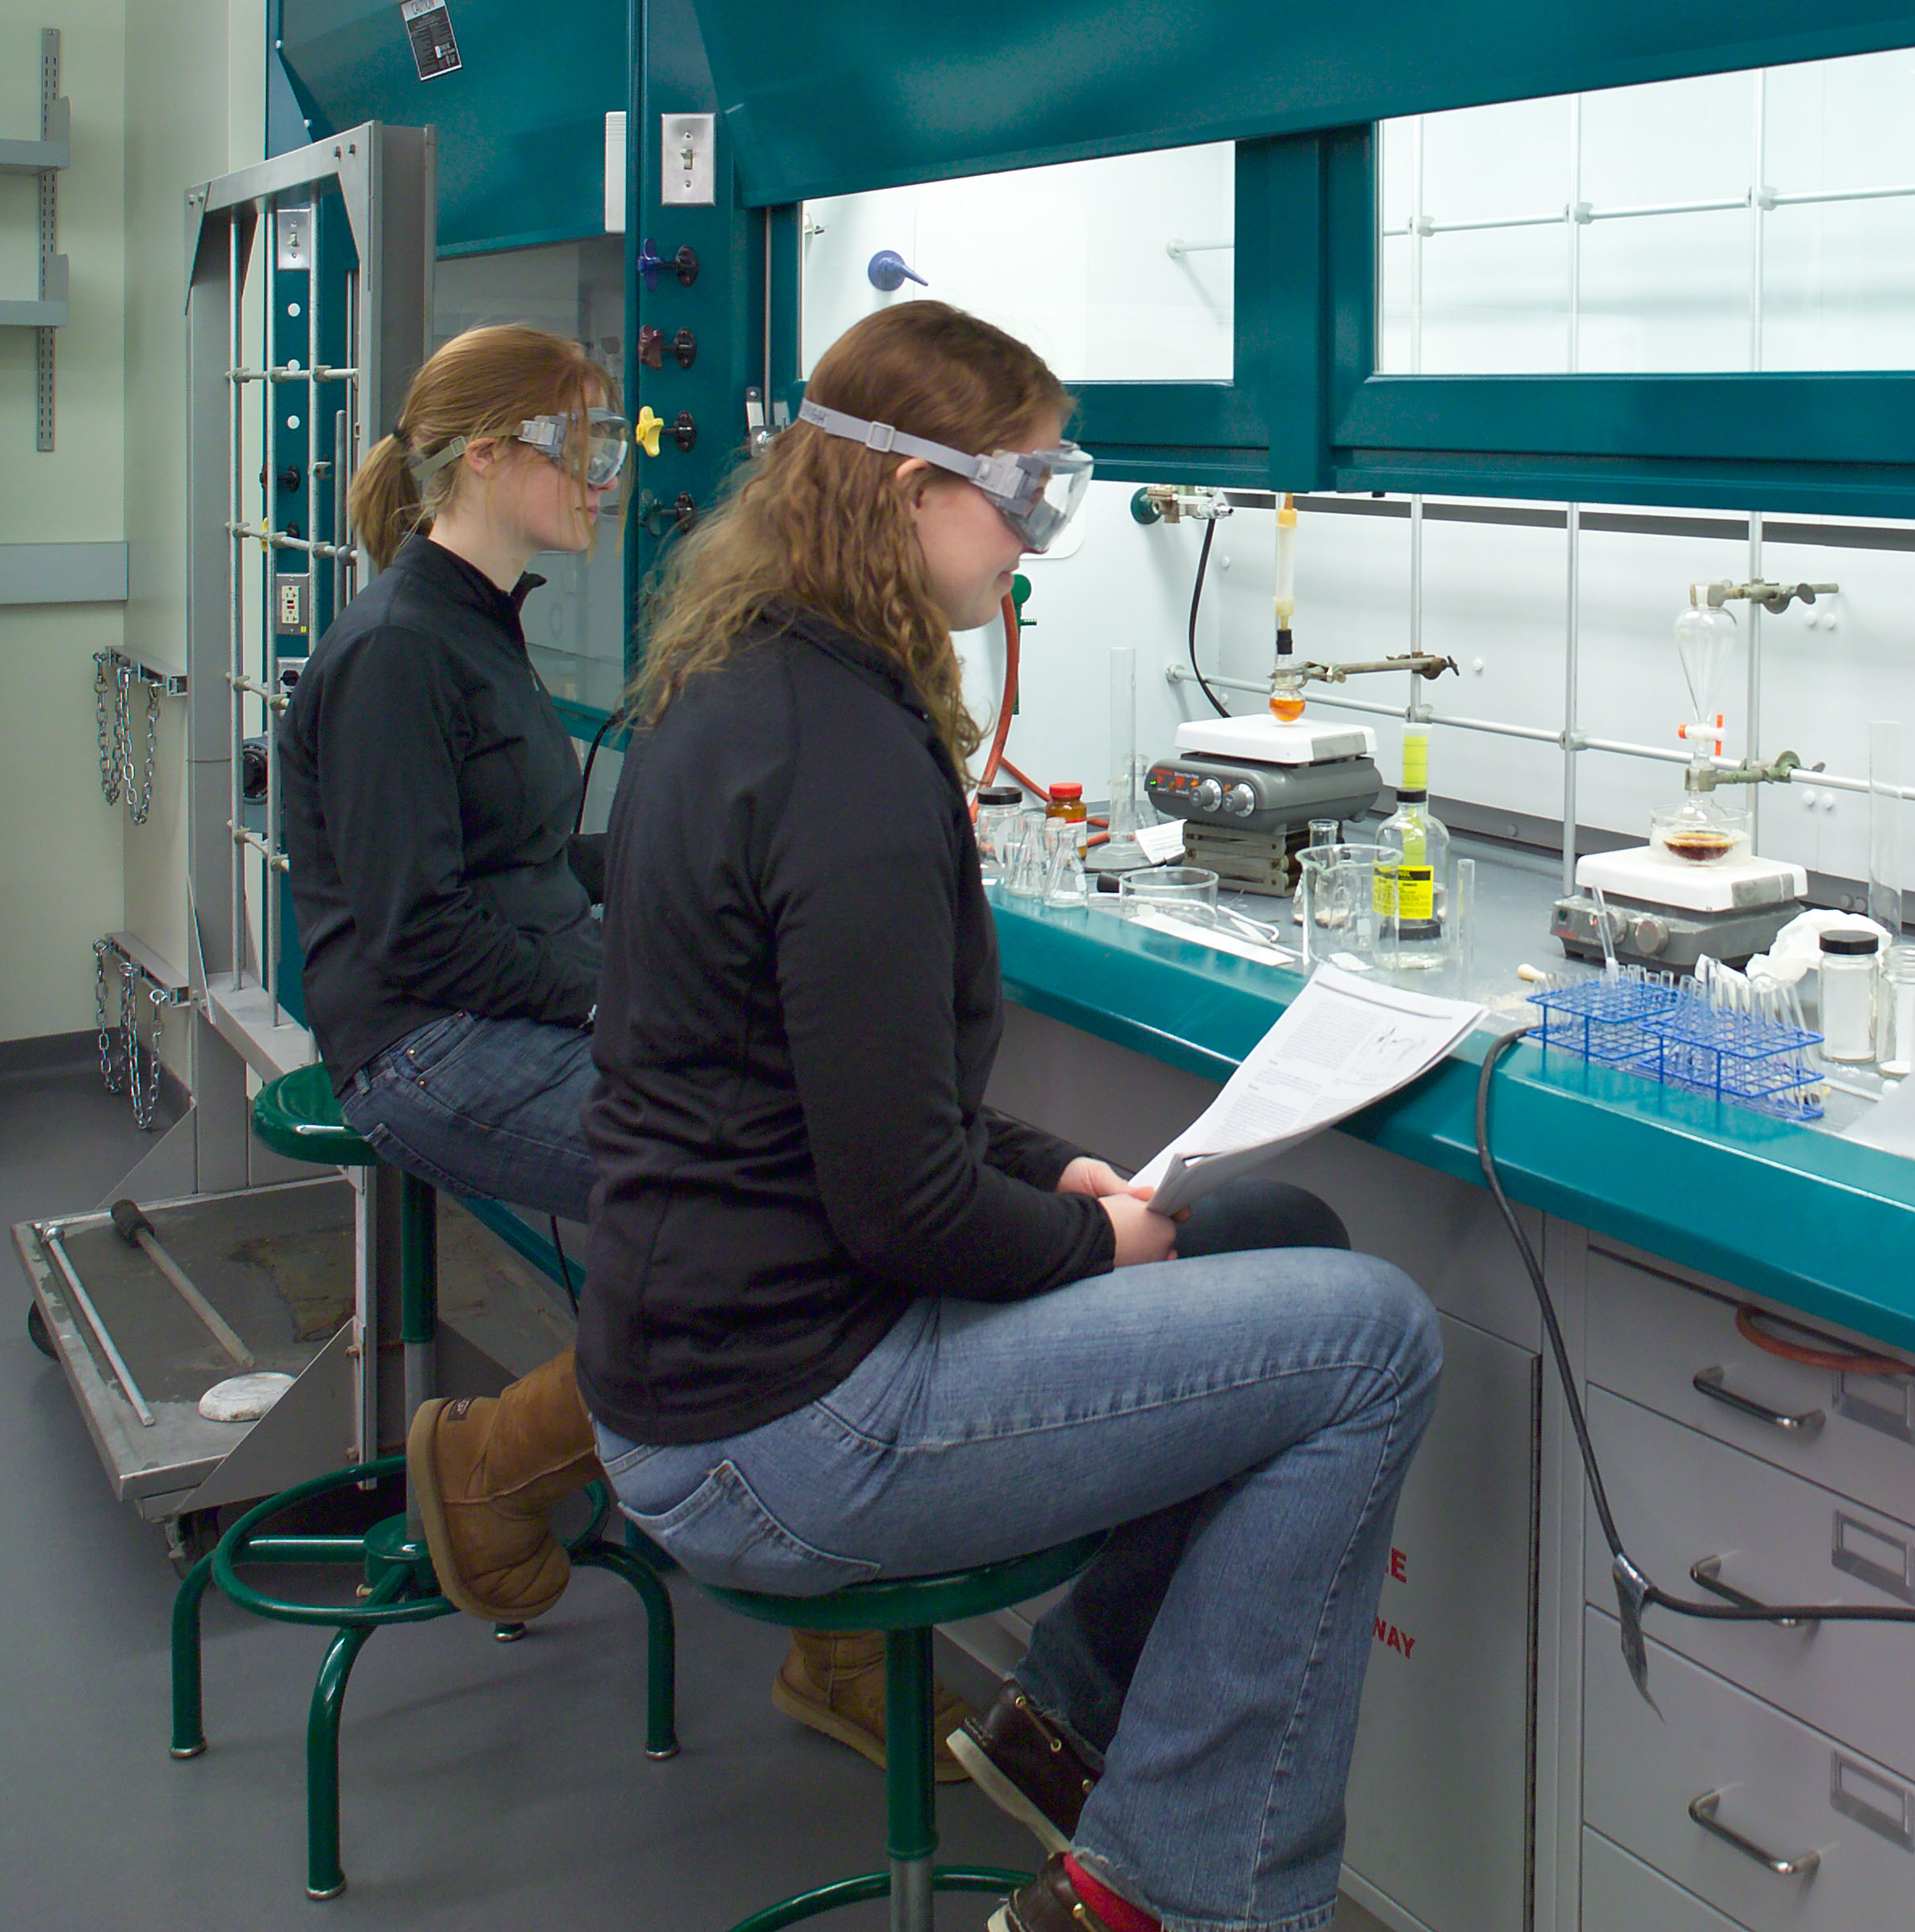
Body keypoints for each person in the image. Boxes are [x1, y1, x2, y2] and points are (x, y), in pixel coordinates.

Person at [578, 303, 1441, 1932]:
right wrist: (1089, 1234)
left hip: (698, 1359)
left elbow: (825, 1098)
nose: (1034, 538)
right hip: (783, 1432)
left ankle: (1068, 1728)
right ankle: (1176, 1896)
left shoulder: (742, 689)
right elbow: (899, 1206)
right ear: (902, 496)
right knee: (1373, 1338)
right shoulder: (845, 761)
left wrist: (1053, 1167)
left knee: (1269, 1229)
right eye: (1020, 496)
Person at [275, 322, 943, 1770]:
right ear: (490, 455)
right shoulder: (397, 650)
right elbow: (420, 940)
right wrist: (625, 994)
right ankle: (500, 1471)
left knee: (797, 1179)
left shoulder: (478, 623)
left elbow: (529, 866)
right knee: (782, 1202)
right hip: (426, 1052)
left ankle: (787, 1607)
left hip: (503, 1011)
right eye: (584, 443)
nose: (608, 473)